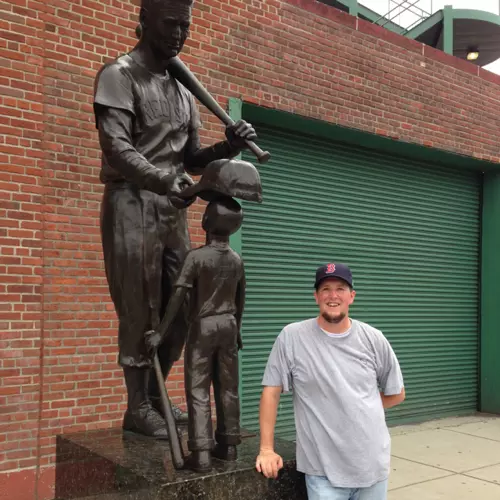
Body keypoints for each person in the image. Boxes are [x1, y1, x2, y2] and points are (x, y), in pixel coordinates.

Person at [93, 0, 257, 439]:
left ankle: (154, 396)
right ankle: (137, 406)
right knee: (140, 307)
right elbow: (117, 149)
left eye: (185, 27)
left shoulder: (184, 92)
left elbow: (193, 159)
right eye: (171, 24)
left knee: (183, 308)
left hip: (173, 207)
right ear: (145, 21)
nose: (179, 34)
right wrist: (162, 178)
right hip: (131, 202)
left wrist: (229, 147)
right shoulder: (119, 75)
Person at [256, 263, 405, 500]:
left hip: (373, 467)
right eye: (325, 289)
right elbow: (271, 393)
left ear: (351, 296)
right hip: (323, 473)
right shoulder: (292, 337)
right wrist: (266, 449)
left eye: (340, 288)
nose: (333, 295)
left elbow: (397, 392)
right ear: (316, 296)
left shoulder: (373, 339)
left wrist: (356, 405)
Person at [146, 194, 246, 472]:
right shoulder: (236, 259)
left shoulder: (196, 257)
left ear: (205, 222)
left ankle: (201, 452)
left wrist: (160, 333)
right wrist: (237, 329)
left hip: (203, 326)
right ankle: (228, 445)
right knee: (228, 389)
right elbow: (240, 299)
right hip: (227, 325)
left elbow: (178, 297)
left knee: (199, 388)